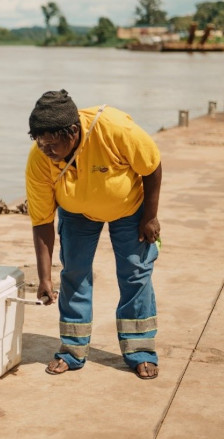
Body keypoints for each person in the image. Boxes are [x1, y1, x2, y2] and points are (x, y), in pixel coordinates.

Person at [24, 90, 162, 379]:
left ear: (73, 131)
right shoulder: (39, 159)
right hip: (76, 213)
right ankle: (72, 350)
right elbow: (42, 220)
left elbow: (152, 166)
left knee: (135, 273)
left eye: (52, 144)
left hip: (130, 208)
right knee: (74, 273)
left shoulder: (114, 128)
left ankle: (140, 351)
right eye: (40, 142)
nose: (46, 150)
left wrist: (150, 217)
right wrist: (45, 277)